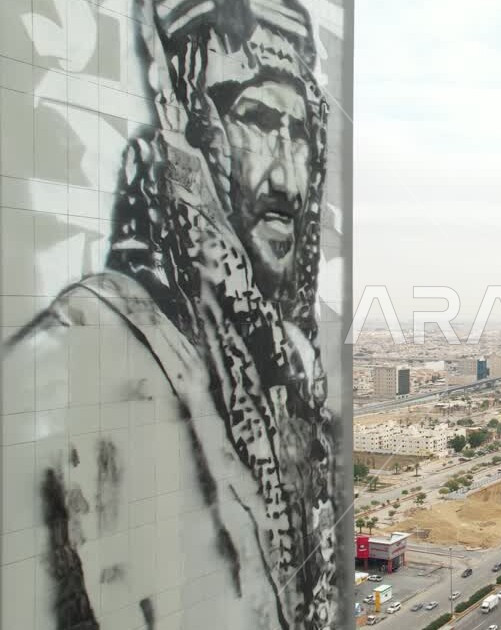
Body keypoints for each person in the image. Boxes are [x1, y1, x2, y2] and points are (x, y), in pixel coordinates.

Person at [1, 0, 342, 628]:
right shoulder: (83, 357)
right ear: (189, 127)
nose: (289, 180)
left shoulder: (281, 361)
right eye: (257, 120)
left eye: (299, 134)